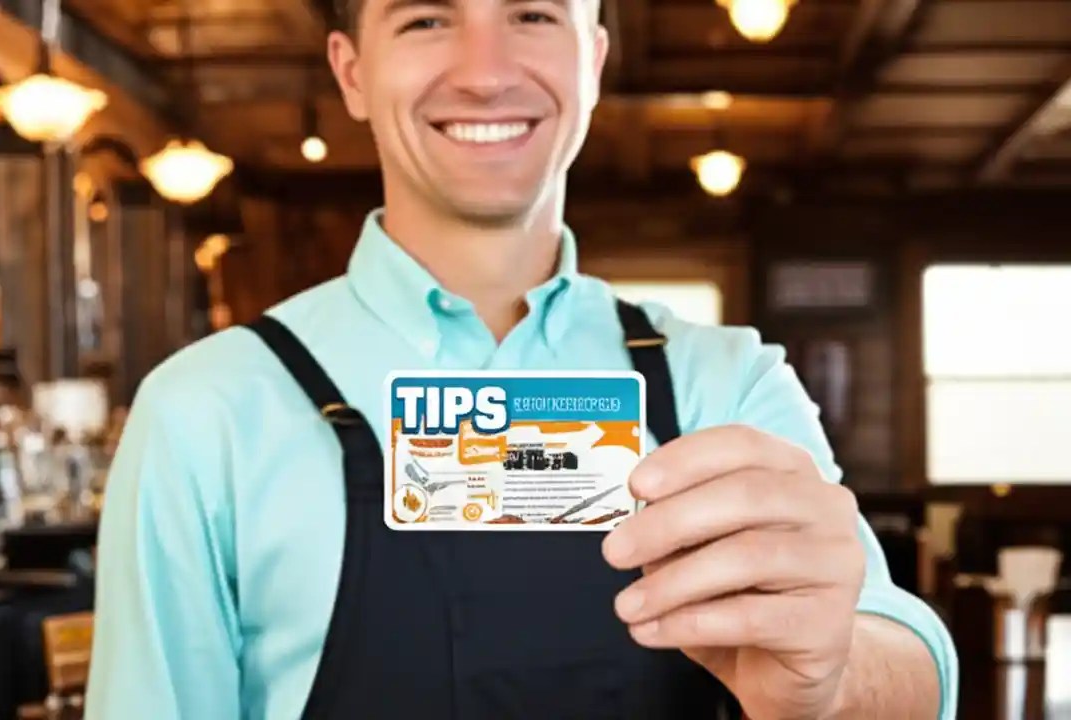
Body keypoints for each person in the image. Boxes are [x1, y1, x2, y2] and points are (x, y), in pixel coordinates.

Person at [86, 0, 958, 717]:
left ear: (595, 57)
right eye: (426, 19)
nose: (485, 69)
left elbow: (908, 665)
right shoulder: (207, 409)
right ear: (351, 71)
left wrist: (829, 682)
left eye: (533, 14)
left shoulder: (727, 382)